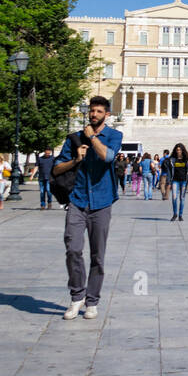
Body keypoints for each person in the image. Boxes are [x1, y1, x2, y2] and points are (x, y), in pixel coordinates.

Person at [51, 96, 123, 321]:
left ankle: (92, 301)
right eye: (92, 111)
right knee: (72, 248)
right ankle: (76, 296)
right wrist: (75, 160)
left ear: (107, 115)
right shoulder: (73, 138)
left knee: (97, 255)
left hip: (101, 201)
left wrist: (92, 137)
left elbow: (107, 157)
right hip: (77, 200)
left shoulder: (114, 135)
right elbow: (56, 169)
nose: (94, 115)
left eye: (99, 111)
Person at [168, 143, 188, 220]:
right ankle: (175, 214)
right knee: (174, 197)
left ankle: (180, 215)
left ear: (182, 150)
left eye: (180, 150)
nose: (178, 151)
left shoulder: (186, 159)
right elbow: (169, 171)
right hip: (175, 180)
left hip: (184, 180)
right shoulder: (172, 159)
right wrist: (169, 181)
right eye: (177, 150)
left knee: (182, 198)